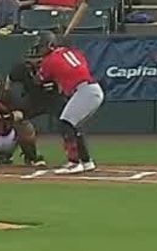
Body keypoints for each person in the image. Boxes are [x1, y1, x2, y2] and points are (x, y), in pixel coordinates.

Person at [33, 31, 104, 175]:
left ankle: (74, 162)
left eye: (41, 47)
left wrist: (38, 67)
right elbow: (76, 66)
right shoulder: (73, 52)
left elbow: (39, 80)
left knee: (66, 123)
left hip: (84, 91)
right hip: (92, 89)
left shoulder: (49, 60)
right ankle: (86, 161)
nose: (40, 50)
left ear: (50, 46)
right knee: (74, 126)